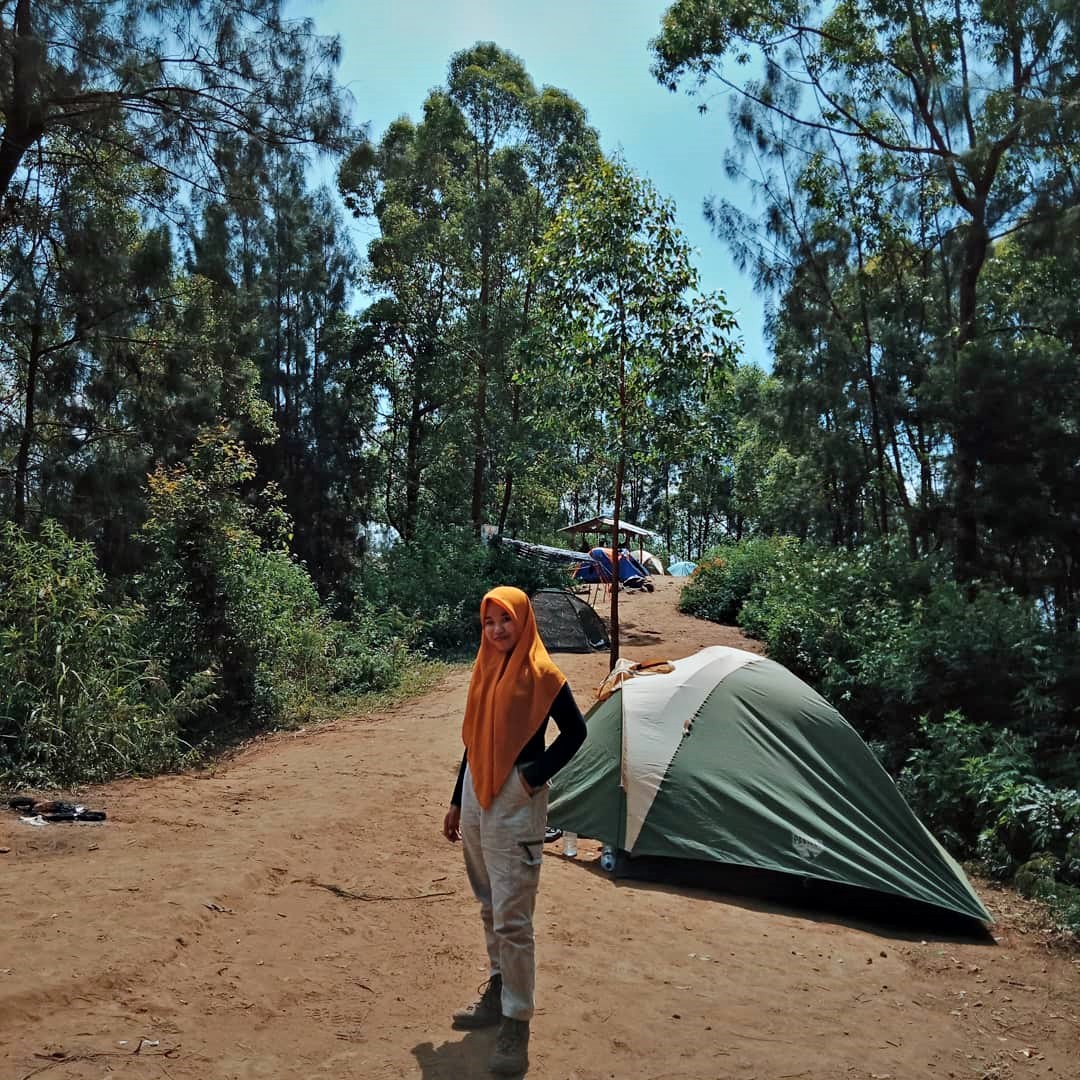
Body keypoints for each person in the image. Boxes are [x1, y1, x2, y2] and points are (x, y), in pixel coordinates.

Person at [442, 585, 587, 1076]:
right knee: (488, 903)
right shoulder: (484, 667)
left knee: (513, 917)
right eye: (489, 621)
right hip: (477, 793)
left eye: (505, 619)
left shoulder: (543, 674)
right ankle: (498, 988)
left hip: (516, 796)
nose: (498, 629)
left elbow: (576, 733)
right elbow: (474, 735)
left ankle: (517, 1023)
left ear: (523, 620)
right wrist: (457, 798)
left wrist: (533, 775)